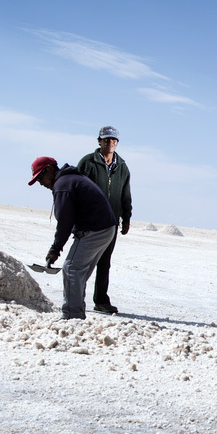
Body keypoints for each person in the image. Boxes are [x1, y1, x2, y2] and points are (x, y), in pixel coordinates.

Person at [28, 156, 118, 321]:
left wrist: (55, 250)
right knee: (78, 273)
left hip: (95, 229)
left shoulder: (62, 185)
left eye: (40, 177)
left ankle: (72, 316)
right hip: (106, 228)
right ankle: (76, 313)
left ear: (50, 169)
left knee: (71, 269)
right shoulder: (70, 179)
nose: (41, 183)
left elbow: (64, 222)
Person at [77, 126, 132, 314]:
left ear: (117, 143)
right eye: (106, 140)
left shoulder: (122, 167)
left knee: (104, 262)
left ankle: (101, 300)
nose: (110, 143)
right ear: (99, 141)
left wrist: (126, 218)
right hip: (90, 221)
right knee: (84, 261)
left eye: (113, 140)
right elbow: (77, 190)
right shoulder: (87, 163)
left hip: (111, 222)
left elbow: (126, 195)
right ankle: (77, 298)